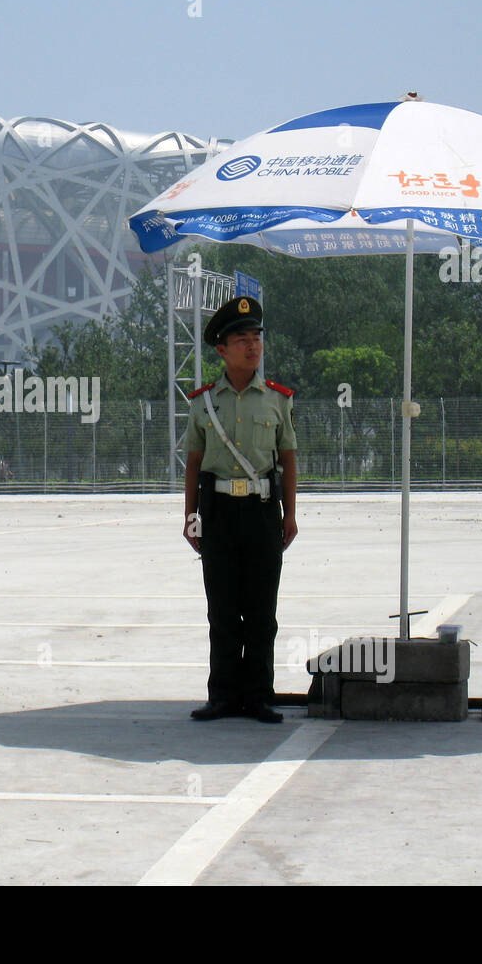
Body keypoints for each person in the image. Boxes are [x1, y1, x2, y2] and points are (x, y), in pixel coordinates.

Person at [182, 296, 297, 723]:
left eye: (256, 338)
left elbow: (287, 459)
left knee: (262, 610)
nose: (252, 346)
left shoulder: (277, 400)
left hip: (263, 510)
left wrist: (290, 514)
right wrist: (191, 515)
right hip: (218, 512)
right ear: (222, 350)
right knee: (223, 609)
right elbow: (194, 463)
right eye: (242, 340)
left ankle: (259, 695)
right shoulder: (203, 402)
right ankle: (223, 695)